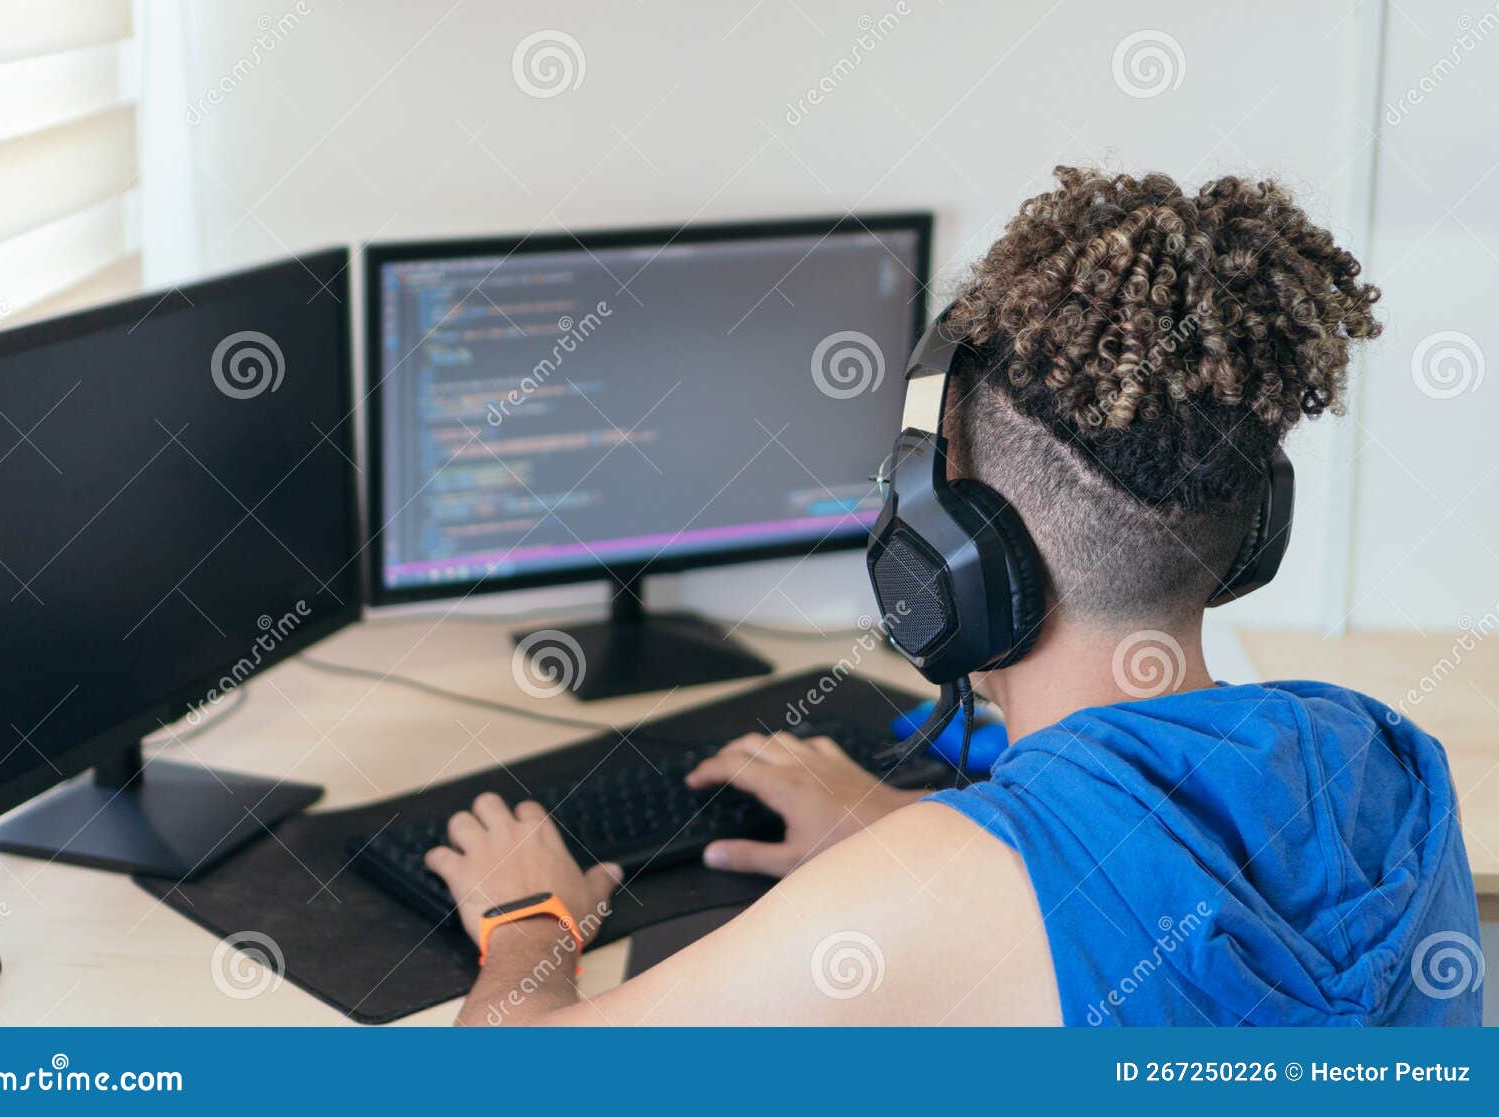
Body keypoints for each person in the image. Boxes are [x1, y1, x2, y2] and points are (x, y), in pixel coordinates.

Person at [425, 168, 1483, 1026]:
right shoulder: (1383, 765)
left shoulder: (940, 893)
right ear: (1252, 528)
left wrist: (531, 918)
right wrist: (907, 829)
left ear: (948, 556)